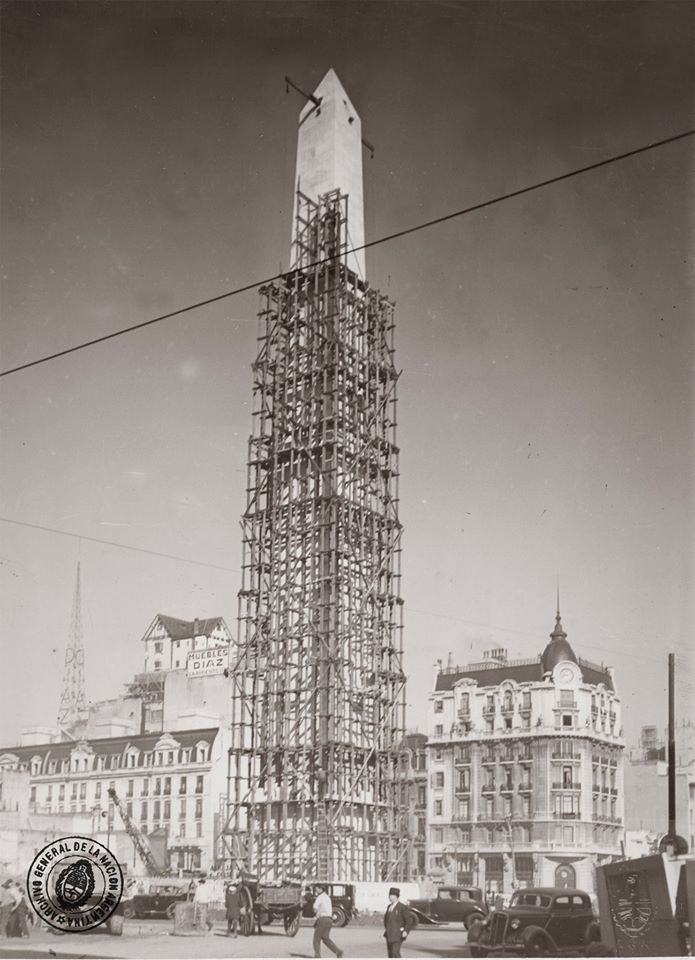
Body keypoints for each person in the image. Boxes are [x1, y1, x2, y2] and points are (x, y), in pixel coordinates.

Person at [312, 884, 343, 958]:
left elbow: (315, 907)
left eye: (317, 888)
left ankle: (317, 955)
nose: (316, 890)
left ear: (320, 889)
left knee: (316, 939)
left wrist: (316, 913)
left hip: (322, 919)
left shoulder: (320, 897)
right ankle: (338, 951)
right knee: (326, 938)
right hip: (329, 919)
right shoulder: (327, 897)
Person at [383, 887, 413, 958]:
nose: (390, 897)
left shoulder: (402, 907)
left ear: (396, 896)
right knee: (390, 954)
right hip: (389, 934)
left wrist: (406, 931)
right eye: (389, 895)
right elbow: (386, 919)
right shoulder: (389, 907)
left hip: (398, 934)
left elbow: (408, 921)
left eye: (391, 896)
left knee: (395, 953)